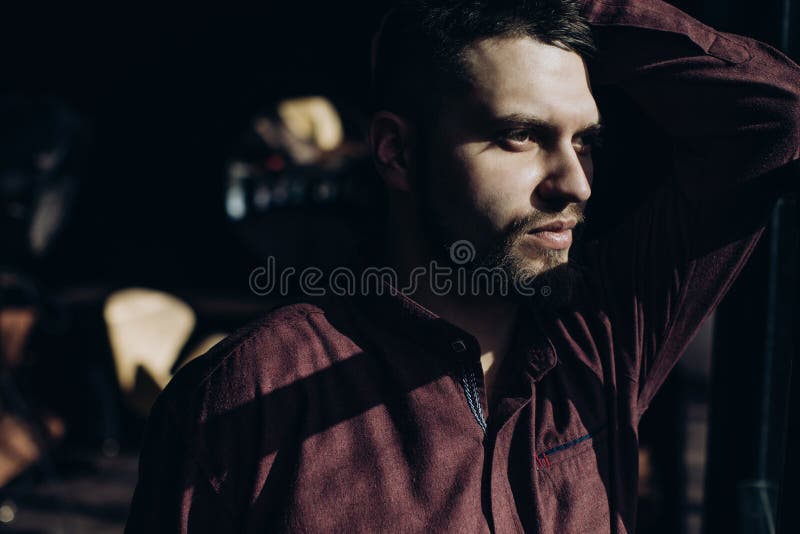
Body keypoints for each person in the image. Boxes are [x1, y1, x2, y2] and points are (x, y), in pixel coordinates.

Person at [125, 0, 800, 532]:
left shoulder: (603, 336)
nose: (575, 183)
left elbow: (775, 118)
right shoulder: (247, 394)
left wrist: (560, 7)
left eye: (584, 142)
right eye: (520, 136)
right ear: (395, 152)